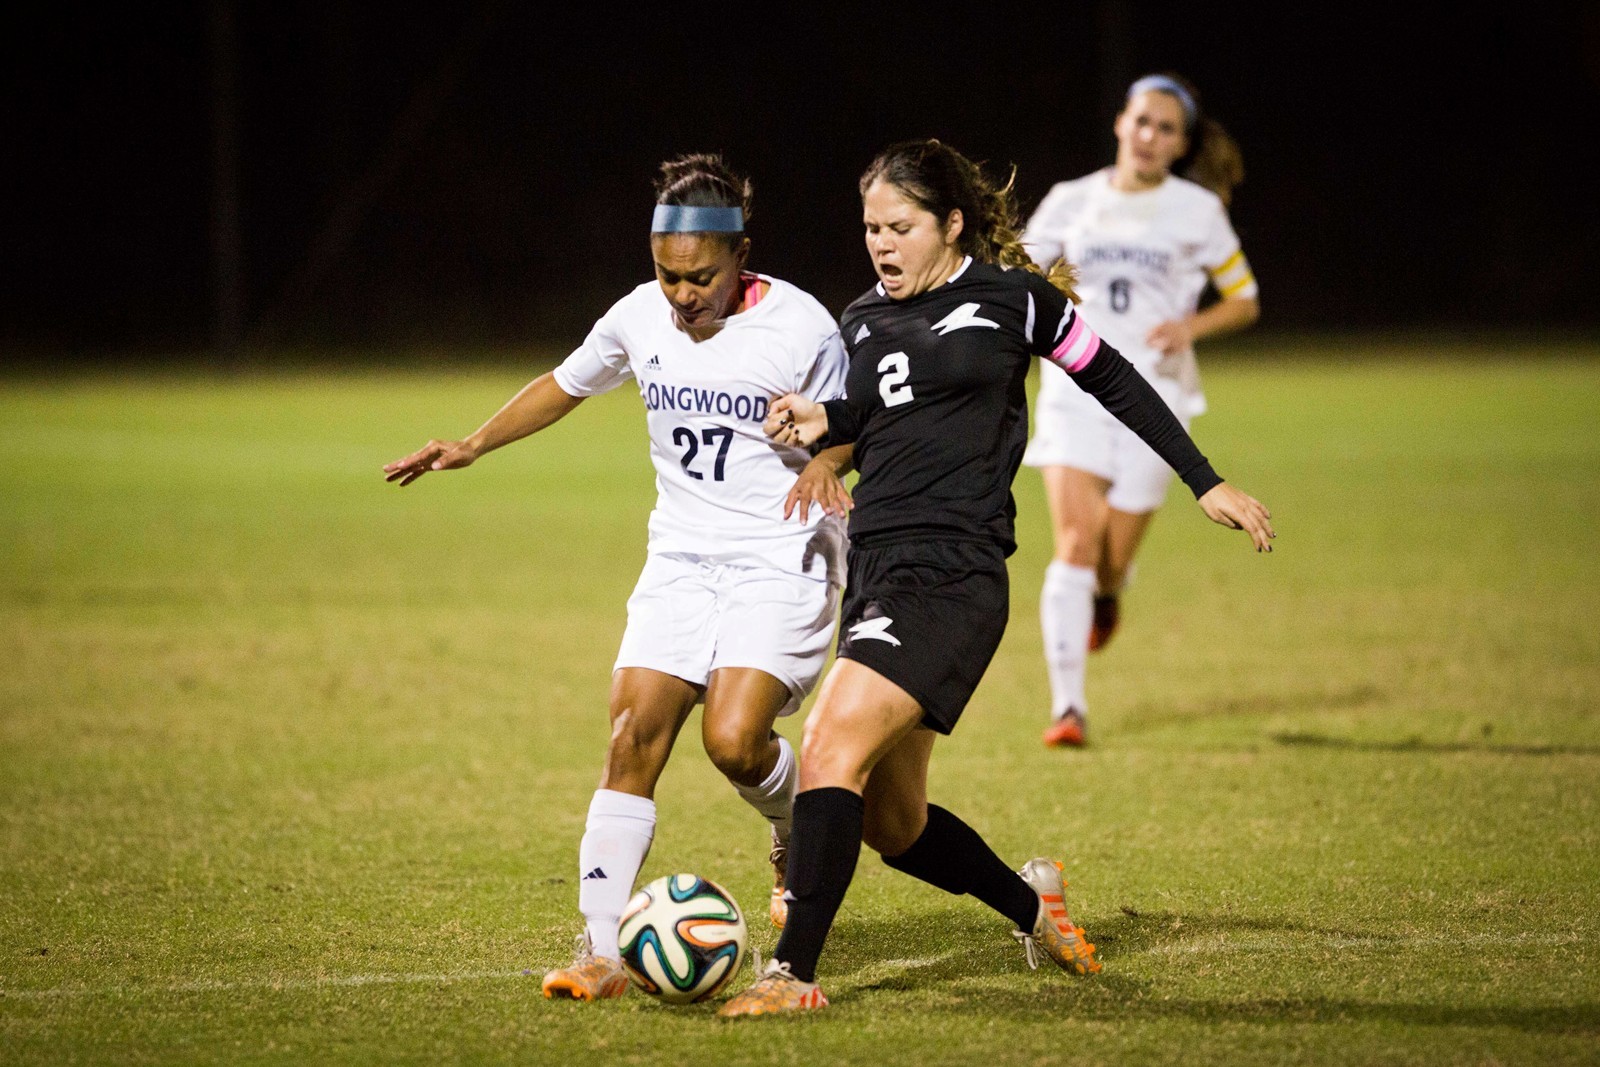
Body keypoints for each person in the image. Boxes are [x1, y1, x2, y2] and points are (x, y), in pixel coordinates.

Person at [715, 139, 1273, 1016]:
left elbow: (1114, 378)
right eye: (869, 228)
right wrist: (823, 427)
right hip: (877, 571)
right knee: (896, 825)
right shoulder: (862, 319)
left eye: (900, 226)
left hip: (955, 573)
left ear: (952, 224)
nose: (881, 244)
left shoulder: (1015, 301)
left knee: (827, 747)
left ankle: (793, 974)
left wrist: (1205, 479)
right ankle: (1031, 902)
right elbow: (879, 411)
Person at [382, 154, 849, 1001]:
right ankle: (601, 949)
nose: (681, 294)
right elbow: (566, 383)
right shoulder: (641, 316)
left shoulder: (803, 326)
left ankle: (788, 819)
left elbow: (852, 423)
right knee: (632, 734)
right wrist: (471, 444)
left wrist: (832, 459)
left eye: (699, 277)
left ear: (743, 254)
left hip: (781, 553)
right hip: (679, 557)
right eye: (667, 276)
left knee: (734, 742)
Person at [1022, 73, 1261, 748]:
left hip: (1156, 397)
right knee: (1072, 540)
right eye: (1142, 122)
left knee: (1107, 559)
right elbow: (1022, 274)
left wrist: (1193, 328)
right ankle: (1068, 707)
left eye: (1166, 129)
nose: (1150, 136)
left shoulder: (1197, 211)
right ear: (1121, 124)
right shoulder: (1071, 200)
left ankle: (1106, 592)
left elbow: (1245, 298)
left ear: (1181, 144)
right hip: (1075, 389)